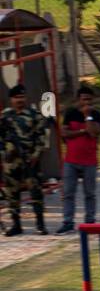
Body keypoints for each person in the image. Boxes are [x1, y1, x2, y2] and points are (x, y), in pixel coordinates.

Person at [0, 84, 50, 236]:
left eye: (22, 97)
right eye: (16, 98)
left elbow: (42, 137)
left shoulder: (34, 115)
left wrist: (36, 154)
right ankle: (16, 225)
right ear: (11, 99)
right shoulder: (5, 116)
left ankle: (40, 224)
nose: (20, 100)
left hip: (30, 160)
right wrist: (3, 155)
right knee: (12, 194)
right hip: (11, 162)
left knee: (36, 192)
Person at [57, 85, 100, 233]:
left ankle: (90, 221)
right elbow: (64, 133)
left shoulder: (98, 116)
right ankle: (68, 221)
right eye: (84, 100)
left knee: (90, 193)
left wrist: (87, 116)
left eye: (90, 100)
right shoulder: (70, 113)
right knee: (68, 192)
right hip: (71, 161)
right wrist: (83, 130)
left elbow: (94, 133)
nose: (87, 103)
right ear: (79, 100)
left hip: (90, 161)